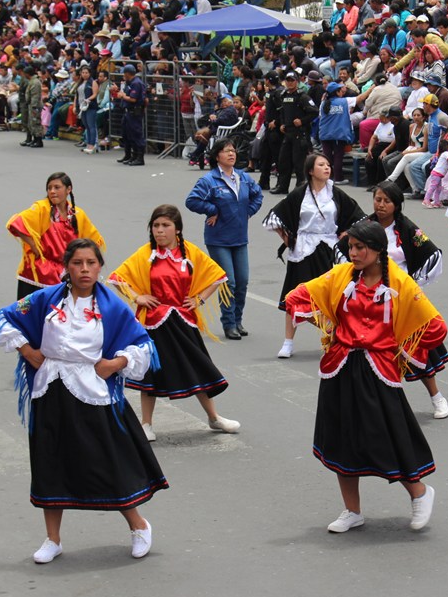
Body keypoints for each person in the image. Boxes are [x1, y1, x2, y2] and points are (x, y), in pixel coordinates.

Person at [0, 239, 164, 564]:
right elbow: (6, 318)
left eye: (91, 263)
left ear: (100, 267)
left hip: (93, 392)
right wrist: (28, 350)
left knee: (106, 459)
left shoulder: (113, 307)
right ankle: (52, 539)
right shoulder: (45, 299)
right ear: (66, 267)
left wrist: (115, 364)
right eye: (77, 263)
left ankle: (138, 526)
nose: (84, 270)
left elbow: (142, 344)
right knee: (49, 461)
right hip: (50, 389)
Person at [282, 220, 444, 533]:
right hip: (340, 368)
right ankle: (352, 510)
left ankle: (419, 492)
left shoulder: (400, 283)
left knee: (390, 435)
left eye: (360, 247)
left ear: (378, 249)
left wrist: (401, 351)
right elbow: (298, 298)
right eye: (351, 247)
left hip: (379, 372)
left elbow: (434, 327)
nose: (353, 253)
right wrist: (333, 328)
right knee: (342, 439)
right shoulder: (340, 276)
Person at [109, 205, 240, 440]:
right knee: (152, 373)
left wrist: (199, 299)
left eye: (165, 226)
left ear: (177, 229)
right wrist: (137, 297)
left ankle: (214, 418)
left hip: (183, 321)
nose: (160, 231)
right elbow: (118, 278)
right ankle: (146, 424)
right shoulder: (146, 254)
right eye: (156, 226)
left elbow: (218, 275)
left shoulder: (189, 253)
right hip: (154, 323)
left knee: (197, 367)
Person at [337, 181, 448, 418]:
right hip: (368, 297)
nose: (380, 205)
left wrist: (412, 285)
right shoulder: (364, 227)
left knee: (417, 349)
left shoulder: (408, 229)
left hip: (399, 298)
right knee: (367, 350)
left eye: (386, 201)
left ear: (397, 204)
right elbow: (341, 250)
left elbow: (432, 254)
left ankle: (437, 397)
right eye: (377, 199)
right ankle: (372, 404)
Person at [264, 154, 366, 358]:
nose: (327, 168)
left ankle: (335, 334)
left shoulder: (335, 193)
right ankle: (288, 342)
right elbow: (275, 217)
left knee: (331, 296)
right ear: (311, 170)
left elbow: (357, 216)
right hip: (303, 249)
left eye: (328, 164)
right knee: (295, 295)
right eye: (321, 165)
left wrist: (345, 235)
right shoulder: (299, 194)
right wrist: (288, 240)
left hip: (328, 247)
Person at [185, 140, 264, 340]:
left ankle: (238, 320)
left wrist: (248, 212)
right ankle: (229, 324)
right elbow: (192, 200)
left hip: (239, 237)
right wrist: (212, 210)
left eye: (233, 150)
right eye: (226, 151)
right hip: (218, 238)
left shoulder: (243, 178)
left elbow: (258, 196)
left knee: (243, 281)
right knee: (228, 282)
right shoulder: (209, 180)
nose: (231, 153)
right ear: (217, 156)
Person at [7, 173, 104, 300]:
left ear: (68, 189)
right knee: (31, 314)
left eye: (57, 187)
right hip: (40, 270)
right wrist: (33, 246)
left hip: (65, 270)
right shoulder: (41, 208)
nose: (52, 191)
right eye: (49, 188)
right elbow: (16, 223)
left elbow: (92, 240)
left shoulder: (77, 213)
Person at [273, 71, 319, 194]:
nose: (289, 83)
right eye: (287, 80)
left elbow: (314, 111)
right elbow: (282, 112)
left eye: (292, 80)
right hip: (287, 133)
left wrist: (302, 121)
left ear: (297, 82)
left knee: (299, 163)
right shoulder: (283, 95)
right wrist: (282, 123)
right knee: (283, 161)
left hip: (300, 133)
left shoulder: (303, 96)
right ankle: (282, 186)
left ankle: (300, 188)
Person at [114, 64, 147, 166]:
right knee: (127, 134)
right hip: (128, 111)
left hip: (134, 112)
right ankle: (131, 155)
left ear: (128, 73)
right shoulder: (130, 83)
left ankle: (139, 157)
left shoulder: (136, 83)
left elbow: (133, 98)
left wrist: (123, 96)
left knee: (136, 134)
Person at [21, 65, 44, 149]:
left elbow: (35, 95)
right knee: (31, 123)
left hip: (35, 106)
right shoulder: (32, 81)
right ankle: (34, 139)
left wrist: (34, 106)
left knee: (35, 122)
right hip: (31, 105)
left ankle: (38, 140)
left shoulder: (35, 82)